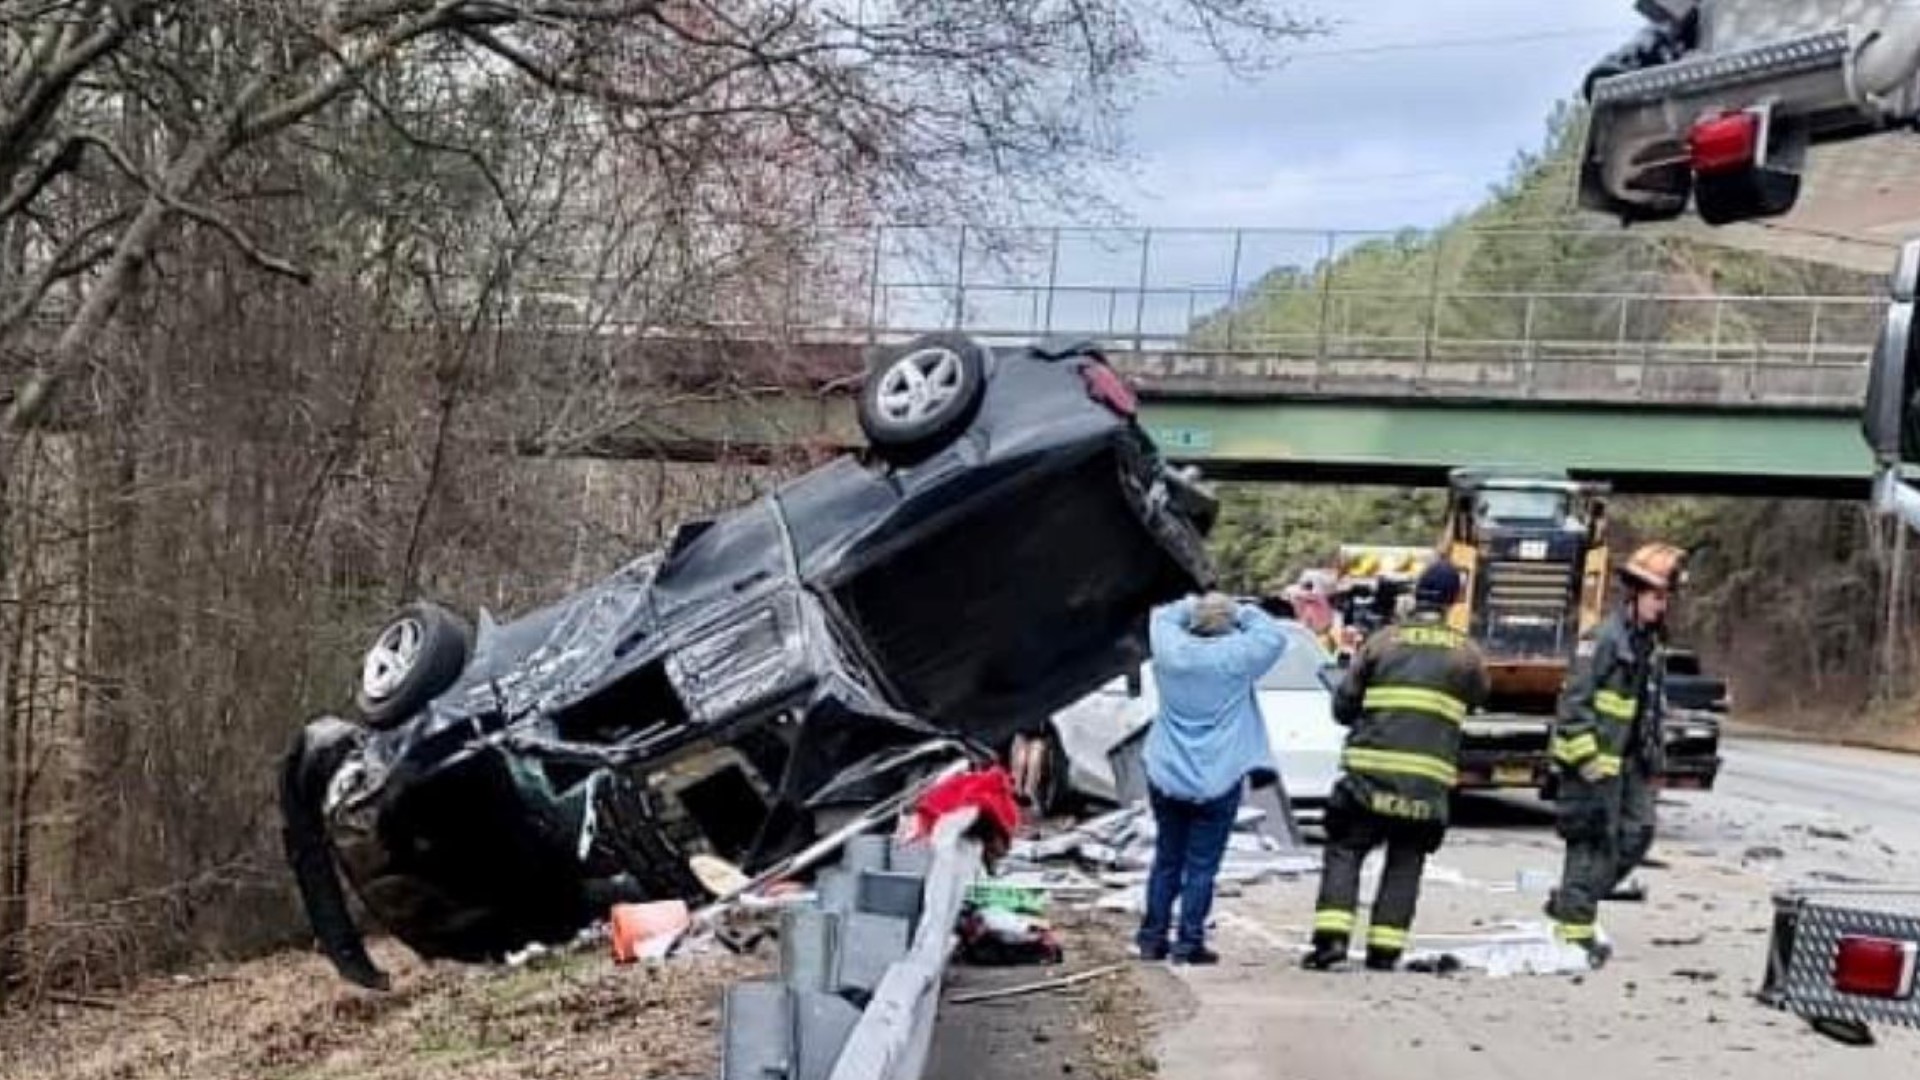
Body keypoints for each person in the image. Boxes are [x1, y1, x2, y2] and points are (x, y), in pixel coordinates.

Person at [1305, 561, 1488, 972]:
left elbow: (1343, 707)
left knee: (1346, 850)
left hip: (1368, 779)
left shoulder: (1381, 643)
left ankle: (1331, 943)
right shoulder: (1467, 655)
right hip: (1425, 787)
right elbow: (1475, 700)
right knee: (1406, 861)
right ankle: (1385, 951)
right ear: (1454, 601)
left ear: (1418, 593)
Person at [1545, 542, 1687, 968]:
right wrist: (1587, 760)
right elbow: (1574, 704)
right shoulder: (1603, 640)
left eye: (1666, 599)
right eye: (1657, 597)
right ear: (1635, 594)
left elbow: (1648, 706)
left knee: (1637, 834)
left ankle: (1571, 902)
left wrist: (1654, 761)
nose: (1662, 607)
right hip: (1594, 763)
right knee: (1590, 843)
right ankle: (1575, 931)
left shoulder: (1650, 644)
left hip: (1633, 764)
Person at [1136, 592, 1286, 965]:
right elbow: (1274, 634)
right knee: (1201, 866)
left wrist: (1191, 605)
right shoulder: (1237, 658)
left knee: (1167, 858)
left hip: (1167, 772)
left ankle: (1152, 939)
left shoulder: (1170, 652)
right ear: (1229, 625)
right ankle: (1189, 943)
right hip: (1218, 778)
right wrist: (1240, 610)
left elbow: (1162, 614)